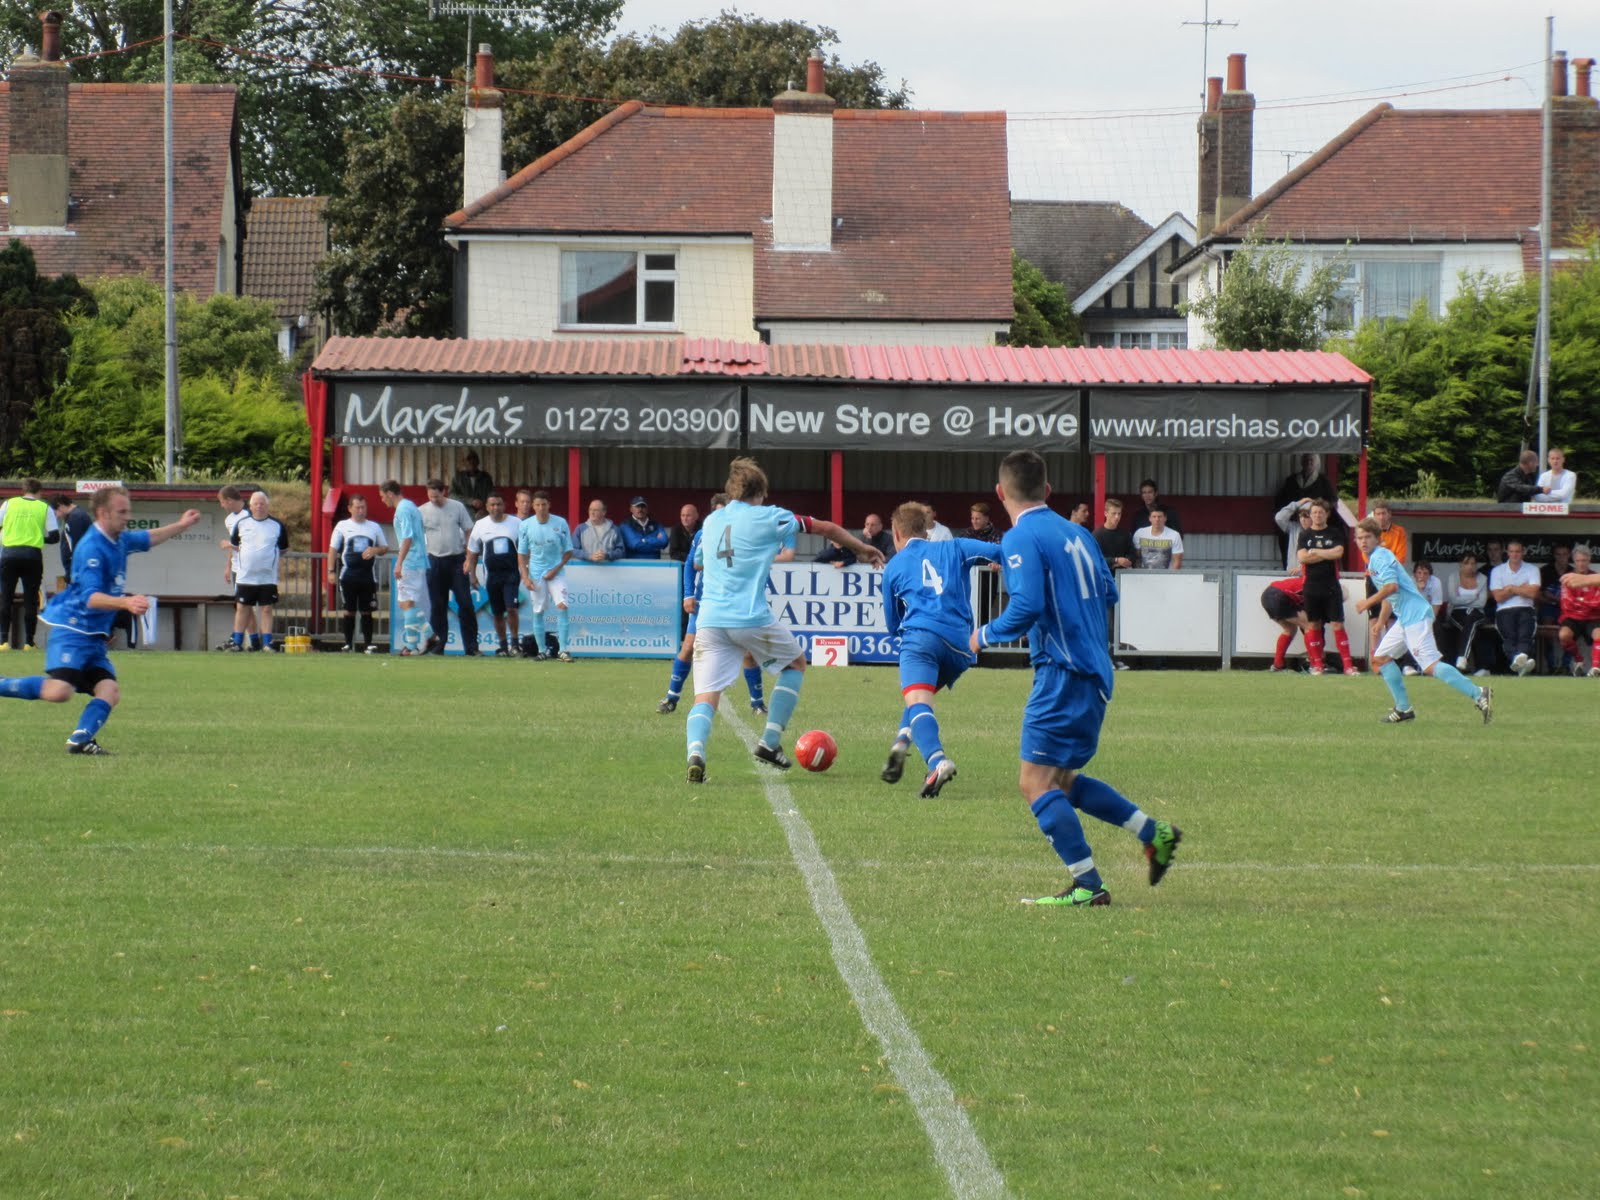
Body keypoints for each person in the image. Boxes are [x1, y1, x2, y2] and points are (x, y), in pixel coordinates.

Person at [970, 449, 1182, 907]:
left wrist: (981, 635)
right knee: (1061, 780)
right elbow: (1109, 594)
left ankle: (1088, 886)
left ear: (999, 493)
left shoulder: (1021, 536)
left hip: (1063, 672)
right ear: (1047, 491)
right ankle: (1155, 832)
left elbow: (1025, 607)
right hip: (1095, 668)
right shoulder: (1080, 534)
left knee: (1035, 783)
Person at [684, 457, 882, 783]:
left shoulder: (712, 520)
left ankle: (696, 752)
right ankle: (770, 742)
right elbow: (827, 529)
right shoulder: (771, 516)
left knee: (706, 696)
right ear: (760, 491)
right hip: (748, 615)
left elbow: (701, 562)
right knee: (795, 664)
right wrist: (863, 549)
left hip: (710, 619)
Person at [0, 487, 200, 754]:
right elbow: (91, 597)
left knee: (109, 690)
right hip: (74, 629)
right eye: (122, 511)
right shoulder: (92, 547)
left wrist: (182, 524)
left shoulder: (119, 539)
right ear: (103, 513)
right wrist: (126, 602)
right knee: (59, 692)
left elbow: (149, 537)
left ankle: (81, 739)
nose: (127, 516)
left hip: (93, 634)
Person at [878, 502, 1002, 798]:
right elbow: (1000, 553)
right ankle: (901, 741)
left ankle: (936, 761)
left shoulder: (894, 566)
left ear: (896, 532)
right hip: (960, 646)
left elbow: (892, 624)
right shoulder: (955, 547)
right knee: (921, 697)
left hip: (921, 638)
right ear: (926, 530)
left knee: (919, 699)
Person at [1353, 518, 1493, 726]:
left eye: (1367, 537)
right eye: (1359, 538)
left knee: (1429, 666)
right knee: (1381, 658)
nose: (1362, 541)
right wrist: (1381, 620)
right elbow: (1391, 595)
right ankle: (1403, 709)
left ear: (1377, 538)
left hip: (1415, 616)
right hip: (1406, 617)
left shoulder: (1381, 556)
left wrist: (1367, 602)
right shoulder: (1374, 559)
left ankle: (1478, 693)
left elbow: (1390, 587)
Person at [656, 493, 771, 715]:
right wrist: (688, 595)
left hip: (737, 602)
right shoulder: (704, 533)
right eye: (717, 512)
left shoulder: (743, 535)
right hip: (706, 602)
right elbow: (690, 564)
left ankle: (757, 703)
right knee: (688, 647)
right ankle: (671, 698)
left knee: (748, 651)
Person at [1297, 498, 1357, 676]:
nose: (1317, 515)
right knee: (1314, 624)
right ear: (1310, 515)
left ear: (1327, 514)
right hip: (1311, 586)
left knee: (1337, 624)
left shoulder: (1334, 532)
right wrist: (1325, 555)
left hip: (1331, 585)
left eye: (1320, 512)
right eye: (1314, 512)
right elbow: (1302, 558)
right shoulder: (1305, 535)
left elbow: (1338, 553)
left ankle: (1348, 666)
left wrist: (1315, 552)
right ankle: (1317, 665)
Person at [0, 478, 61, 651]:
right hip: (32, 555)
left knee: (6, 597)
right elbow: (55, 536)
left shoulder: (9, 504)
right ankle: (29, 642)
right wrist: (38, 538)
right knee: (30, 598)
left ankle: (3, 641)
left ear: (23, 490)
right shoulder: (44, 507)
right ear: (39, 492)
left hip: (9, 553)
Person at [421, 478, 478, 656]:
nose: (434, 500)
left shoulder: (457, 507)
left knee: (466, 604)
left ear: (444, 492)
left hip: (456, 561)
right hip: (434, 561)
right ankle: (438, 647)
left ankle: (471, 647)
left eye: (437, 496)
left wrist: (469, 557)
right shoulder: (421, 511)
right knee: (438, 606)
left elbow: (469, 530)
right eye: (431, 497)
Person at [517, 490, 575, 661]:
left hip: (556, 572)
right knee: (538, 611)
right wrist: (525, 577)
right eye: (537, 505)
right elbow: (521, 554)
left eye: (544, 505)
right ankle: (542, 650)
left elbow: (568, 551)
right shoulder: (525, 525)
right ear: (533, 507)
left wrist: (555, 570)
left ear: (549, 505)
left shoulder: (560, 523)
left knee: (563, 605)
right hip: (535, 573)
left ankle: (563, 650)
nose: (541, 508)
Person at [327, 493, 389, 653]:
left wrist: (375, 550)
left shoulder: (374, 526)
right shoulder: (342, 525)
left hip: (368, 575)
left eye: (363, 507)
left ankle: (368, 644)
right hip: (348, 575)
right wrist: (331, 570)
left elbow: (384, 548)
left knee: (367, 610)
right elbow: (333, 549)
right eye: (358, 507)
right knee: (349, 610)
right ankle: (348, 643)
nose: (361, 510)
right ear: (350, 509)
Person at [228, 491, 289, 651]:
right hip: (245, 575)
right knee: (242, 607)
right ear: (251, 506)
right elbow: (234, 545)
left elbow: (283, 548)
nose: (259, 506)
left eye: (262, 503)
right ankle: (237, 642)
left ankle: (267, 643)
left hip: (267, 577)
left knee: (266, 608)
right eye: (256, 503)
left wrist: (268, 559)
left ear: (267, 505)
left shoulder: (277, 525)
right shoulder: (241, 523)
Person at [465, 493, 522, 658]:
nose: (495, 508)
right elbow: (472, 551)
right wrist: (473, 575)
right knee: (497, 613)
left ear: (504, 505)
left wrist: (525, 570)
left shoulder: (516, 523)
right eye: (492, 505)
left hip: (511, 574)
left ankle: (515, 645)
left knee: (511, 608)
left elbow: (525, 548)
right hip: (492, 576)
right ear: (487, 507)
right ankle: (503, 646)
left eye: (498, 504)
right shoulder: (481, 525)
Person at [379, 481, 430, 655]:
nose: (382, 500)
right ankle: (429, 634)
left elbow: (407, 537)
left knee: (407, 603)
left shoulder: (402, 509)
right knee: (405, 603)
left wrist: (399, 562)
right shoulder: (411, 507)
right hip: (417, 560)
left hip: (411, 561)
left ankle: (411, 645)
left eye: (382, 496)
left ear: (390, 494)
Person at [214, 485, 258, 651]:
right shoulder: (229, 520)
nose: (222, 506)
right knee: (244, 606)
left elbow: (250, 544)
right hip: (236, 567)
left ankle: (236, 639)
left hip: (248, 567)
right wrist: (228, 565)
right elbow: (233, 545)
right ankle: (254, 642)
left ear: (229, 500)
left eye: (222, 502)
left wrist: (229, 544)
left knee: (243, 605)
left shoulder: (249, 516)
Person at [1489, 540, 1541, 676]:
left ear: (1523, 552)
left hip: (1526, 608)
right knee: (1509, 638)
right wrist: (1522, 588)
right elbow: (1498, 597)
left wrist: (1510, 588)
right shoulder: (1497, 570)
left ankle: (1518, 662)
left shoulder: (1532, 569)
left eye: (1517, 551)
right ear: (1507, 552)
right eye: (1511, 551)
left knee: (1525, 636)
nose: (1514, 554)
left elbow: (1533, 593)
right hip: (1504, 610)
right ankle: (1521, 663)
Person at [1439, 552, 1493, 675]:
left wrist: (1465, 599)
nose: (1470, 566)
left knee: (1472, 619)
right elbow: (1453, 599)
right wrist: (1474, 595)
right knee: (1473, 629)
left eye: (1473, 563)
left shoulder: (1482, 578)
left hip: (1477, 613)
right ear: (1461, 564)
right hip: (1457, 613)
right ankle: (1480, 667)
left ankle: (1463, 657)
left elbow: (1482, 603)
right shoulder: (1454, 577)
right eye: (1467, 563)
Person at [1557, 544, 1600, 677]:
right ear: (1573, 561)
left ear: (1589, 560)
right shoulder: (1569, 578)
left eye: (1584, 560)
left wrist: (1580, 602)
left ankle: (1595, 668)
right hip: (1572, 617)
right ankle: (1578, 661)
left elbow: (1598, 603)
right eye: (1578, 561)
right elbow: (1567, 604)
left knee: (1599, 635)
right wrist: (1587, 602)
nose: (1581, 564)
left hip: (1593, 617)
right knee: (1563, 635)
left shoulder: (1596, 578)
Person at [1398, 560, 1444, 676]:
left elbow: (1436, 604)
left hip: (1429, 616)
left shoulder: (1435, 582)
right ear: (1414, 574)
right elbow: (1409, 604)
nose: (1422, 576)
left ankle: (1430, 665)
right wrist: (1418, 589)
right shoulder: (1409, 582)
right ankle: (1408, 665)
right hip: (1410, 616)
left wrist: (1429, 623)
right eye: (1419, 573)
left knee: (1436, 630)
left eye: (1425, 573)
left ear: (1430, 575)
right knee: (1412, 634)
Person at [1260, 574, 1310, 672]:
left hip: (1268, 595)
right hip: (1278, 595)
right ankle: (1314, 663)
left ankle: (1278, 665)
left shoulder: (1310, 581)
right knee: (1309, 626)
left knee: (1290, 629)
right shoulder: (1315, 586)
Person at [815, 513, 894, 567]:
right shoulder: (862, 538)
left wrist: (875, 560)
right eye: (867, 524)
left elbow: (892, 558)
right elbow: (853, 556)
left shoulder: (888, 539)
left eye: (873, 525)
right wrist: (867, 540)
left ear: (880, 526)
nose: (869, 528)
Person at [52, 495, 92, 584]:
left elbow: (76, 547)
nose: (57, 516)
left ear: (61, 505)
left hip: (77, 571)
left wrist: (73, 572)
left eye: (56, 513)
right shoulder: (75, 516)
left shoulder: (75, 518)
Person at [1131, 506, 1183, 571]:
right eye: (1154, 516)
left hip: (1166, 576)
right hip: (1143, 575)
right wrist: (1137, 574)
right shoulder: (1140, 533)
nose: (1157, 519)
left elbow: (1177, 561)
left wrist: (1171, 577)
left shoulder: (1174, 535)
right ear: (1150, 518)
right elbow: (1136, 557)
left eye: (1160, 517)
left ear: (1165, 518)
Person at [450, 451, 495, 521]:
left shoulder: (486, 478)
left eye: (474, 460)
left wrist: (485, 509)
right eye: (469, 460)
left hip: (483, 514)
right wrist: (470, 501)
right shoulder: (458, 478)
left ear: (478, 462)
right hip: (462, 513)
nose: (472, 462)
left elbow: (492, 495)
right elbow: (451, 496)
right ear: (465, 463)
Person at [1273, 500, 1315, 574]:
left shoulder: (1321, 533)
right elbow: (1279, 518)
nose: (1303, 519)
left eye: (1306, 516)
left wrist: (1304, 569)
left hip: (1311, 576)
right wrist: (1298, 503)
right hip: (1292, 574)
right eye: (1300, 516)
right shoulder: (1294, 528)